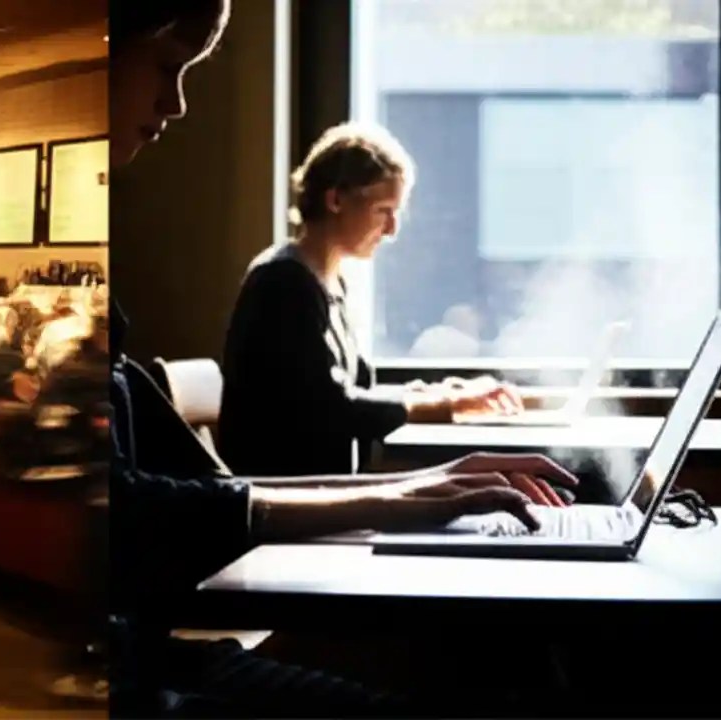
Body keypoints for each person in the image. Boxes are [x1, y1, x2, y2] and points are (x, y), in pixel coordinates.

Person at [108, 1, 580, 716]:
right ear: (336, 198)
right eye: (169, 67)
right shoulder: (281, 280)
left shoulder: (320, 283)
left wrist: (426, 479)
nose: (175, 105)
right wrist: (409, 482)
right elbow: (314, 417)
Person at [218, 122, 528, 478]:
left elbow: (347, 390)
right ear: (335, 200)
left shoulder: (328, 280)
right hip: (292, 493)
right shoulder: (284, 282)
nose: (393, 229)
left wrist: (431, 393)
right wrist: (445, 405)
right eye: (384, 210)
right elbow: (334, 408)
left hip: (324, 486)